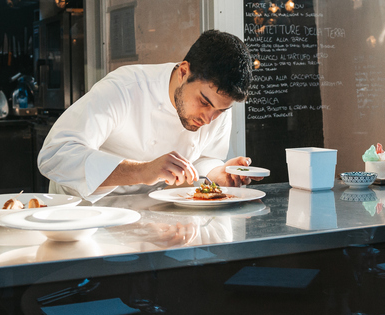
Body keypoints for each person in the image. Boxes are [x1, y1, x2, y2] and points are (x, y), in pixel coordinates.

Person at [39, 30, 255, 201]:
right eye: (204, 102)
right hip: (86, 215)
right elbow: (55, 155)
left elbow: (203, 159)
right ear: (183, 72)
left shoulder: (216, 108)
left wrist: (215, 173)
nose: (208, 119)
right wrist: (142, 171)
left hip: (158, 217)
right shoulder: (125, 88)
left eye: (221, 111)